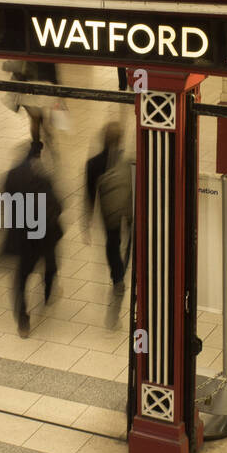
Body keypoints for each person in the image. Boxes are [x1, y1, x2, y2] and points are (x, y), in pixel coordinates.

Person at [0, 140, 64, 338]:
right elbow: (58, 205)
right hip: (43, 235)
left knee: (20, 279)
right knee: (50, 265)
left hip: (21, 237)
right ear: (37, 157)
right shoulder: (43, 179)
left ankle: (23, 321)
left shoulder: (12, 175)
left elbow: (4, 201)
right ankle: (48, 292)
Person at [83, 122, 133, 326]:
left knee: (112, 243)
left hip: (108, 211)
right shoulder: (127, 162)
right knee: (127, 243)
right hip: (128, 210)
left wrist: (86, 221)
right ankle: (123, 272)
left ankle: (118, 278)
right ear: (120, 140)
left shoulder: (93, 163)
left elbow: (89, 194)